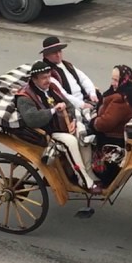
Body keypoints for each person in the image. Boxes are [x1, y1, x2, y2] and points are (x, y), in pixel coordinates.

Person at [15, 61, 101, 200]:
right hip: (47, 133)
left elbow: (69, 105)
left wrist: (72, 120)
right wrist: (53, 110)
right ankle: (83, 179)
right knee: (71, 141)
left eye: (49, 76)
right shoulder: (25, 97)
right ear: (34, 79)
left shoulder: (52, 87)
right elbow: (32, 119)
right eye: (44, 78)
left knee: (83, 133)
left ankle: (89, 172)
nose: (48, 80)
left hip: (64, 125)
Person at [40, 35, 98, 110]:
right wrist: (82, 105)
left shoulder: (67, 65)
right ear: (46, 55)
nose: (58, 55)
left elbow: (83, 78)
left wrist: (92, 93)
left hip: (85, 99)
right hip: (72, 107)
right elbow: (63, 95)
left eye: (59, 51)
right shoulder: (48, 72)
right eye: (54, 53)